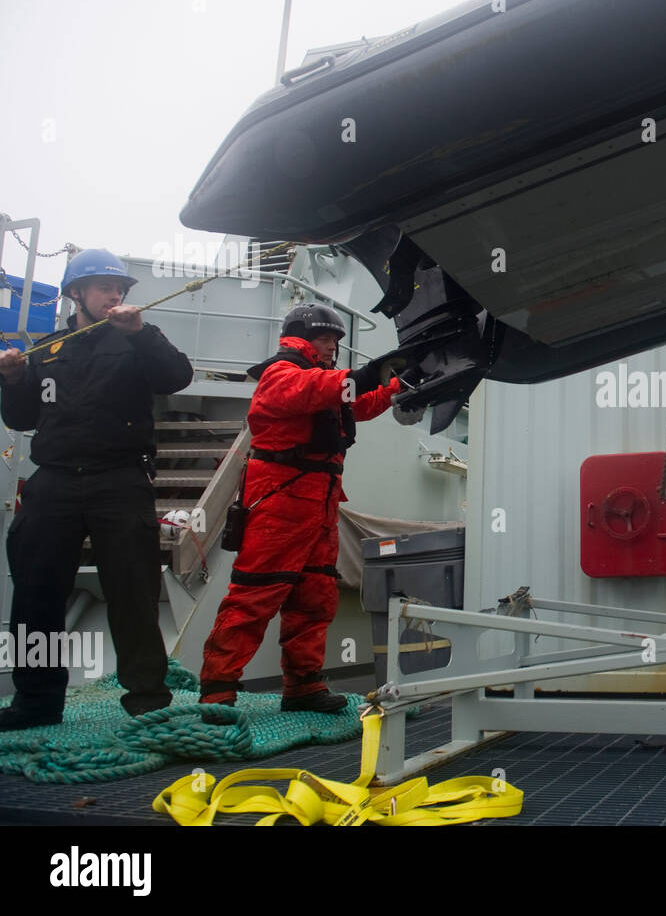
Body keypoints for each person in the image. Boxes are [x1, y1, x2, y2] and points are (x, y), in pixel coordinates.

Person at [0, 248, 193, 728]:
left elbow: (177, 376)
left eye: (120, 288)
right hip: (55, 481)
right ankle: (36, 702)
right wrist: (15, 380)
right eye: (105, 287)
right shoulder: (46, 350)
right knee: (35, 592)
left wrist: (142, 334)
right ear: (75, 294)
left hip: (119, 479)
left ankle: (148, 700)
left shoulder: (139, 339)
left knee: (134, 590)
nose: (115, 294)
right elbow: (21, 418)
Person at [198, 304, 406, 713]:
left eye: (335, 340)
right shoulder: (282, 373)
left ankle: (303, 686)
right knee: (255, 595)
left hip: (318, 503)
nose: (331, 346)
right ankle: (218, 689)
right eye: (324, 338)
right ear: (302, 338)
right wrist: (358, 377)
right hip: (281, 503)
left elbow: (355, 405)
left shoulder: (324, 381)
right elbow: (315, 389)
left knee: (315, 598)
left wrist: (395, 387)